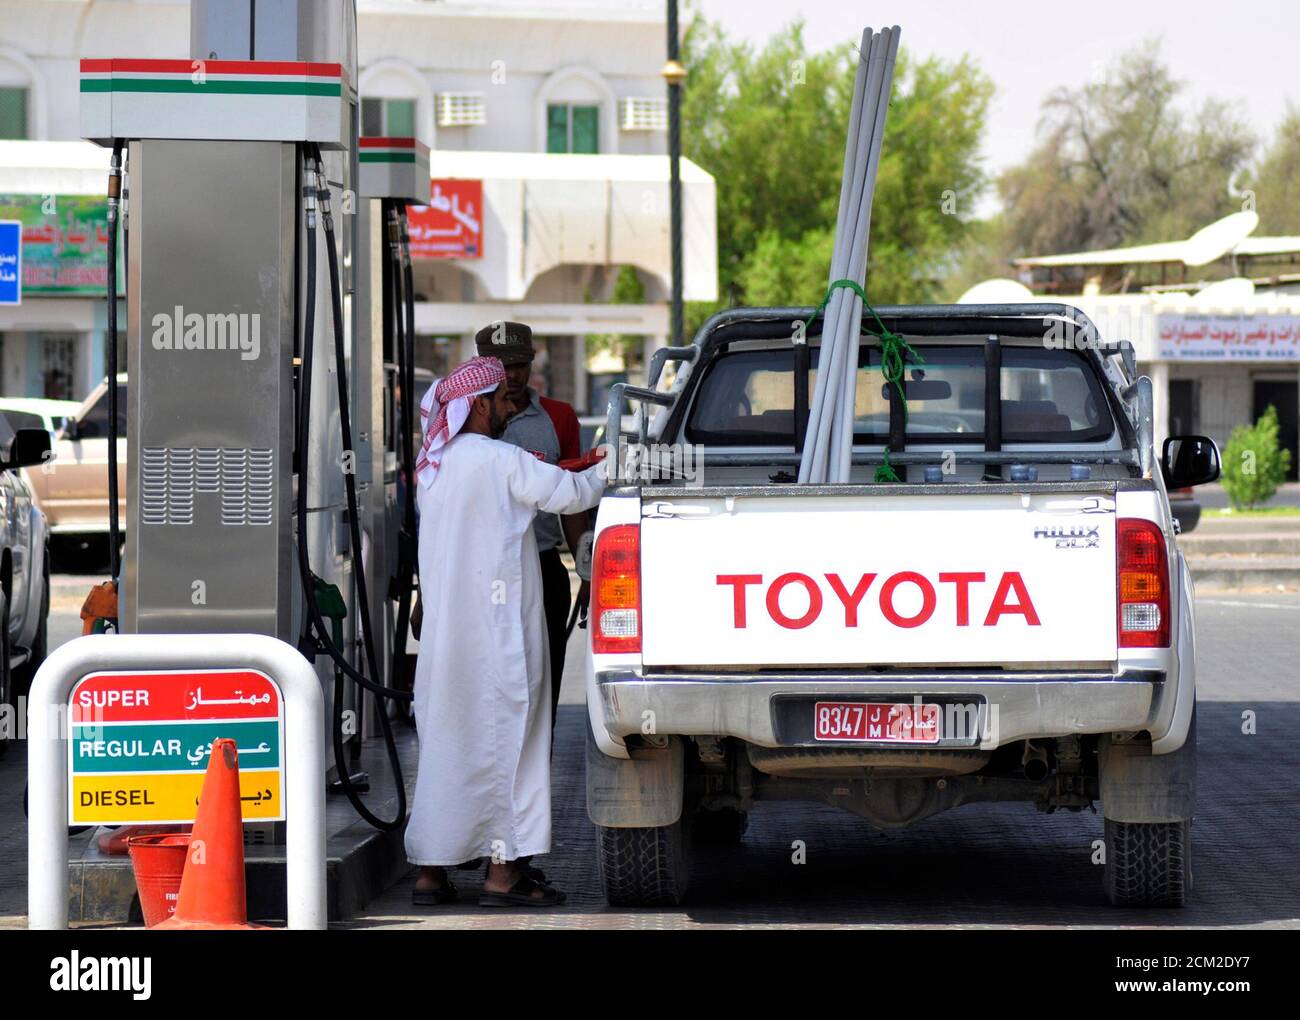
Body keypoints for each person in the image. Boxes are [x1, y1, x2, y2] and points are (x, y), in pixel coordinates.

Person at [404, 355, 606, 908]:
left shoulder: (435, 465)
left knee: (447, 745)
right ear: (478, 405)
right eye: (499, 402)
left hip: (447, 641)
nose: (507, 409)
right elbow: (572, 496)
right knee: (511, 745)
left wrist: (576, 465)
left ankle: (431, 873)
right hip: (498, 639)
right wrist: (613, 464)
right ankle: (501, 876)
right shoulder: (498, 459)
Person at [474, 321, 589, 736]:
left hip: (541, 568)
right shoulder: (468, 418)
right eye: (503, 367)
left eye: (520, 364)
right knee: (487, 678)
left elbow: (573, 499)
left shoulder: (558, 417)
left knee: (543, 678)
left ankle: (537, 771)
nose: (513, 376)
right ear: (483, 367)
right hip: (482, 569)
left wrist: (586, 567)